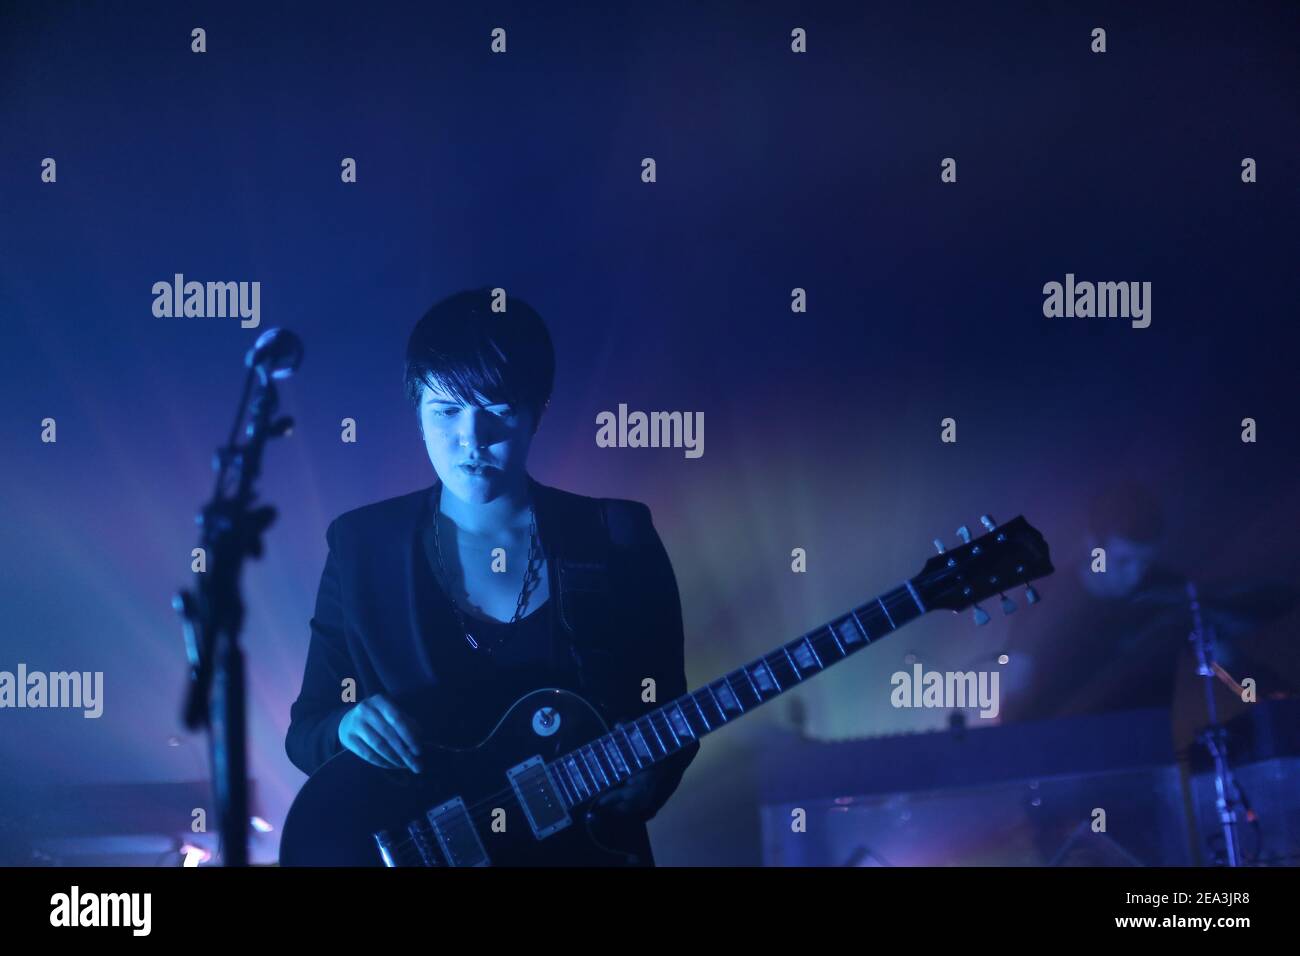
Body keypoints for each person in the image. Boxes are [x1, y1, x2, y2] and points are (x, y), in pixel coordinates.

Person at [284, 288, 698, 865]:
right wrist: (348, 726)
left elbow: (667, 710)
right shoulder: (362, 547)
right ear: (417, 413)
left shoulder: (616, 536)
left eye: (498, 411)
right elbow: (307, 730)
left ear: (538, 412)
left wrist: (652, 778)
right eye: (447, 411)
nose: (471, 440)